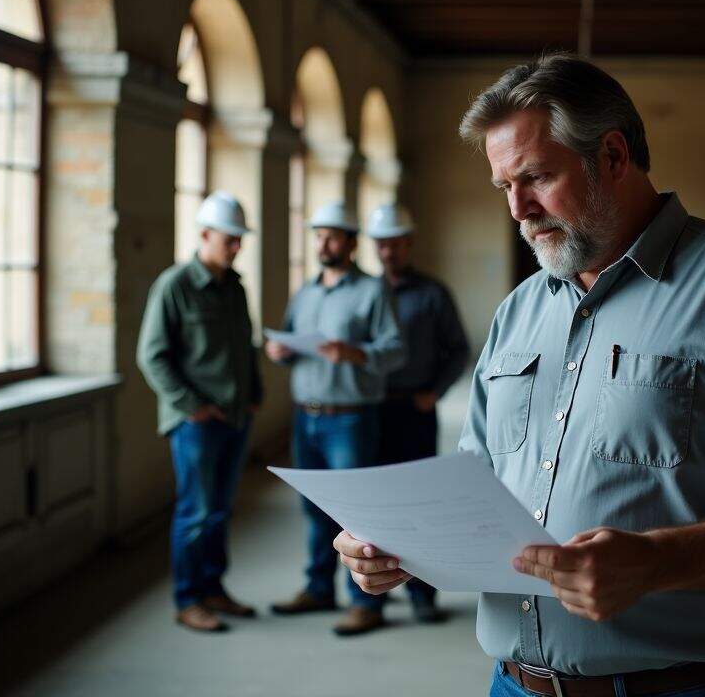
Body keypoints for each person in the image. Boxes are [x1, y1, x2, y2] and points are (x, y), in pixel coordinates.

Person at [334, 53, 705, 696]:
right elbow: (477, 478)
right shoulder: (520, 309)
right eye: (503, 186)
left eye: (535, 177)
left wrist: (657, 563)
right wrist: (403, 543)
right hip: (515, 685)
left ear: (613, 156)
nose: (518, 209)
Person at [266, 202, 406, 637]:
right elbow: (291, 340)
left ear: (350, 243)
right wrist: (280, 352)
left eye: (331, 236)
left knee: (356, 515)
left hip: (350, 418)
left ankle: (366, 603)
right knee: (313, 510)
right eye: (318, 236)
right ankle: (318, 589)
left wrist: (353, 353)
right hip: (305, 417)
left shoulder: (372, 291)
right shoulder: (304, 293)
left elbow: (395, 350)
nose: (322, 244)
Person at [137, 191, 263, 634]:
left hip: (234, 417)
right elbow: (152, 357)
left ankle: (213, 589)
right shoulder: (174, 286)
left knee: (220, 510)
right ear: (204, 235)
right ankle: (188, 599)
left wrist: (254, 394)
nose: (236, 247)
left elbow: (245, 348)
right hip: (197, 423)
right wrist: (193, 408)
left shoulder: (235, 287)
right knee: (195, 511)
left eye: (239, 240)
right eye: (229, 239)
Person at [364, 202, 470, 624]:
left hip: (414, 408)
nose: (388, 251)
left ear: (408, 244)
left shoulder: (432, 294)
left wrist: (435, 392)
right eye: (381, 244)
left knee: (419, 504)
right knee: (373, 507)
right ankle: (370, 596)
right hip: (371, 411)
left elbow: (458, 349)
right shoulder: (366, 292)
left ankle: (423, 594)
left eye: (395, 243)